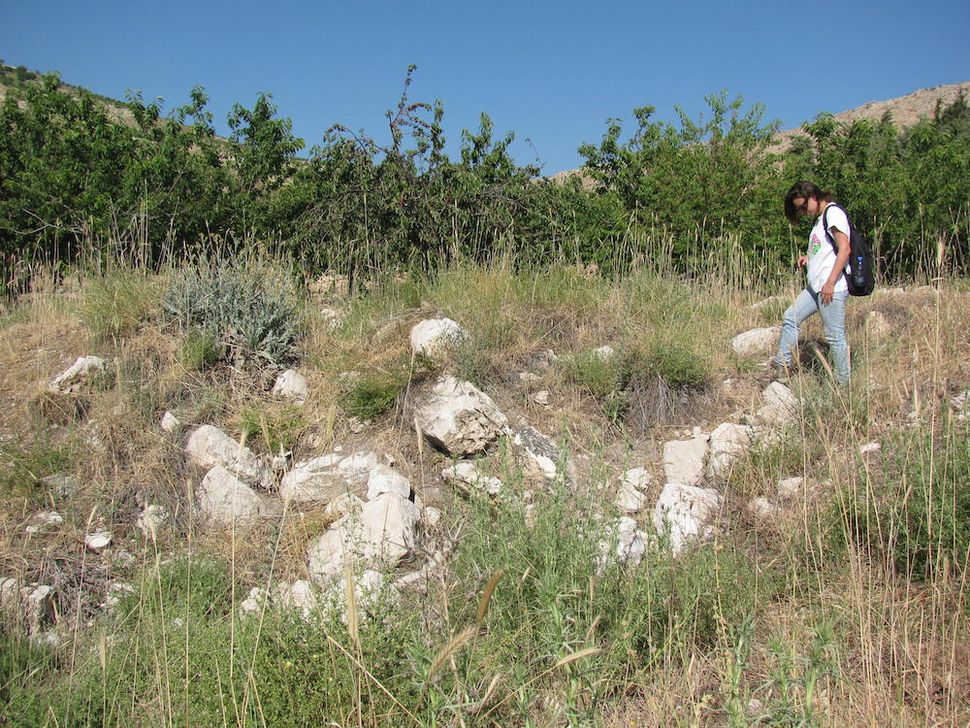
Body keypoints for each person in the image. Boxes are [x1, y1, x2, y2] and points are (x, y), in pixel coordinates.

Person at [770, 181, 852, 386]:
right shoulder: (820, 219)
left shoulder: (834, 213)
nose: (803, 211)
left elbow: (845, 249)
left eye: (803, 206)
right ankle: (782, 367)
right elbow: (826, 250)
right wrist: (808, 257)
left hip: (829, 288)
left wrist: (831, 282)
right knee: (790, 317)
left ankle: (843, 386)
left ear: (813, 196)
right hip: (817, 287)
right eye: (799, 209)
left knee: (835, 337)